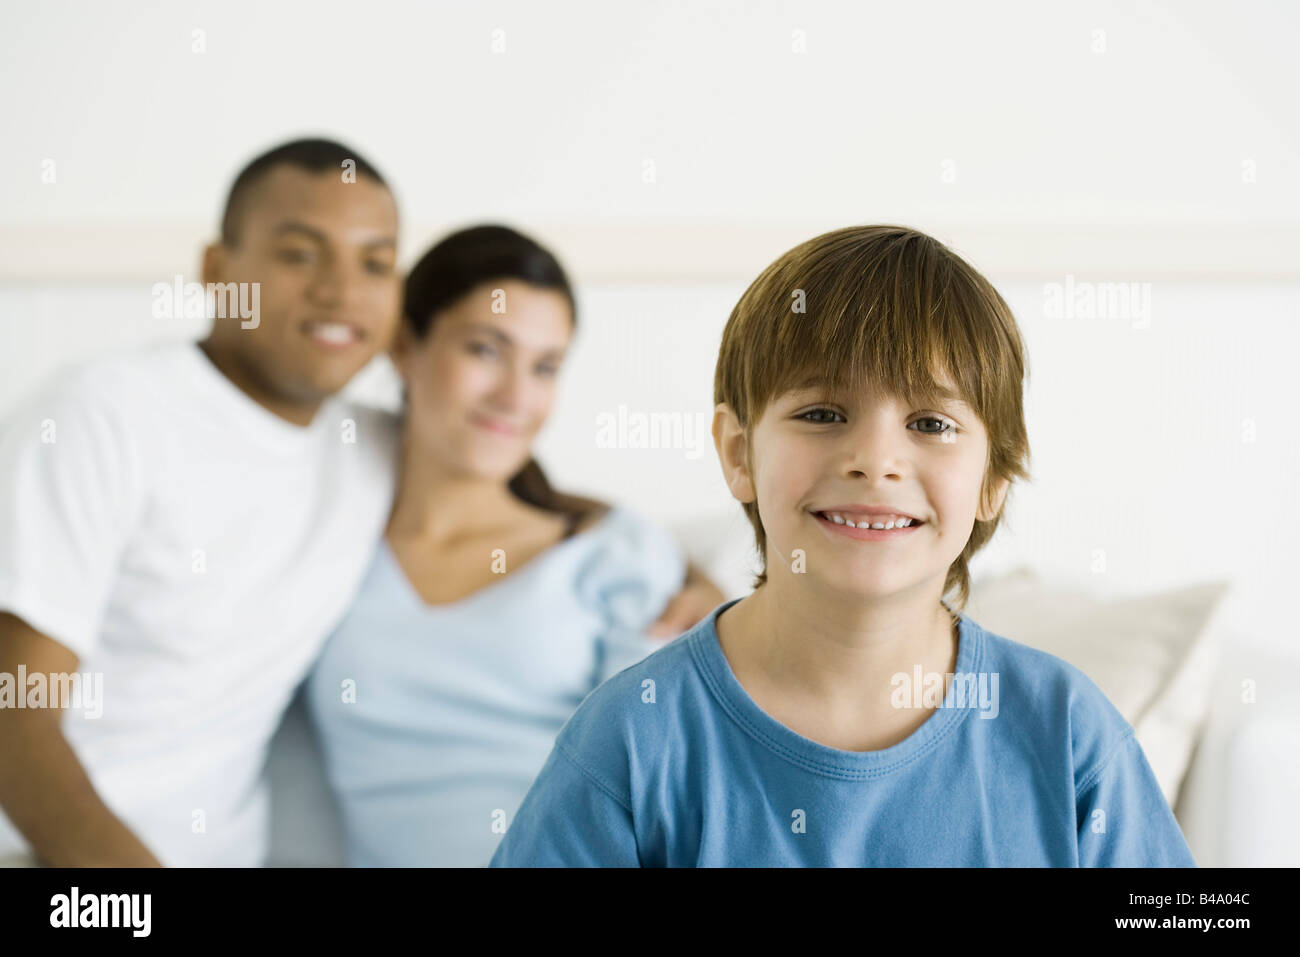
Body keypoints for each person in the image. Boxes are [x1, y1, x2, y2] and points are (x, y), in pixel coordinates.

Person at [0, 138, 721, 867]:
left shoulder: (359, 445)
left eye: (374, 263)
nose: (341, 291)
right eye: (300, 254)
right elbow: (14, 710)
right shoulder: (105, 415)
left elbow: (514, 478)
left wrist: (698, 584)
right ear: (217, 271)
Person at [489, 224, 1198, 867]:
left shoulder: (1067, 732)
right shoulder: (633, 738)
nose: (874, 459)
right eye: (823, 413)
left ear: (994, 480)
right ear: (739, 453)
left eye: (930, 422)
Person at [305, 225, 693, 866]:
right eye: (487, 350)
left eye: (544, 367)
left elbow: (666, 794)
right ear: (404, 344)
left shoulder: (612, 554)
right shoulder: (325, 538)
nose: (516, 396)